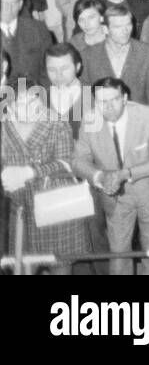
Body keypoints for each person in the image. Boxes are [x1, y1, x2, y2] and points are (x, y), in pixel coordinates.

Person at [71, 77, 149, 275]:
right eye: (101, 102)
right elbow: (78, 161)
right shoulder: (90, 120)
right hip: (114, 197)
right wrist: (99, 176)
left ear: (125, 98)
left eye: (114, 99)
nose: (108, 107)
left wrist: (126, 174)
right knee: (119, 253)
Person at [1, 80, 90, 272]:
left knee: (60, 266)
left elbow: (67, 165)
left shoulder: (56, 123)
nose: (29, 109)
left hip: (55, 207)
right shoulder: (4, 126)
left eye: (34, 103)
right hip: (20, 210)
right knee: (22, 268)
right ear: (9, 105)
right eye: (21, 104)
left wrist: (28, 172)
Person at [80, 1, 149, 111]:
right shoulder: (88, 56)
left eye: (128, 24)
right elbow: (86, 100)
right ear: (105, 29)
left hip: (138, 121)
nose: (125, 31)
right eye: (118, 27)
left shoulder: (148, 54)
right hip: (103, 121)